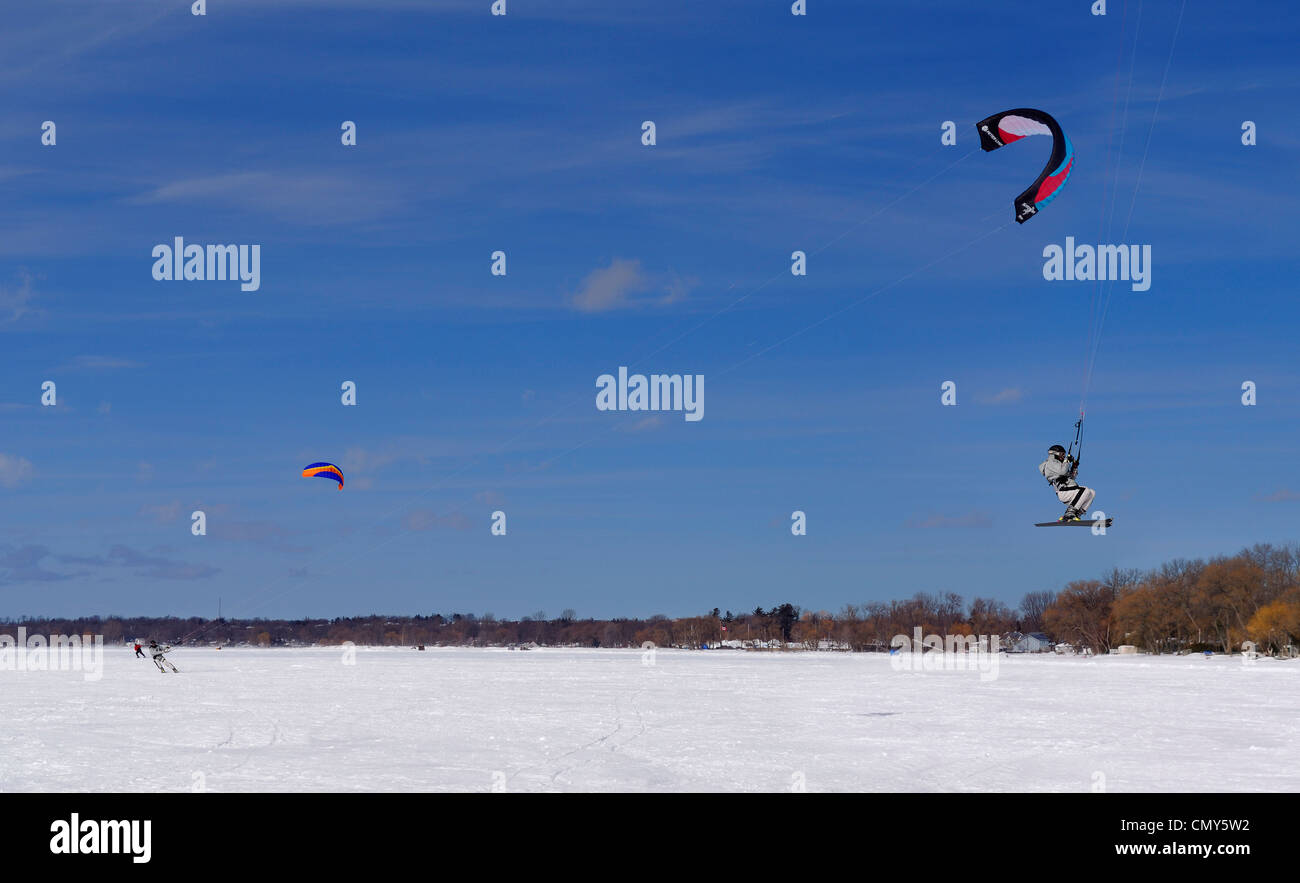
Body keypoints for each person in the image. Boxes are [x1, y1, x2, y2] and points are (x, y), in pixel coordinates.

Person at [1038, 444, 1095, 521]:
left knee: (1091, 493)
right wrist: (1067, 461)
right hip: (1063, 491)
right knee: (1085, 490)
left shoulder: (1060, 465)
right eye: (1062, 454)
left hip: (1069, 489)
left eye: (1064, 455)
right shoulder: (1050, 463)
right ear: (1055, 454)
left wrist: (1074, 467)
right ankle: (1069, 513)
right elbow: (1062, 472)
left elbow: (1071, 478)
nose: (1063, 456)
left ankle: (1076, 513)